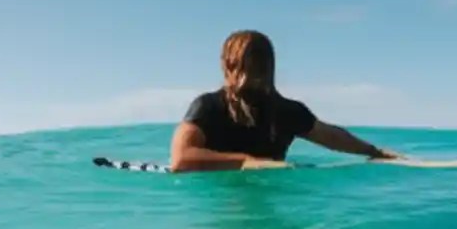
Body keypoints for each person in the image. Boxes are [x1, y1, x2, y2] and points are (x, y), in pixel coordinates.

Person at [170, 30, 405, 172]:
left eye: (260, 63)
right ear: (229, 65)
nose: (255, 72)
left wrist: (375, 152)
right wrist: (247, 162)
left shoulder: (286, 112)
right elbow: (181, 159)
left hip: (275, 198)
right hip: (220, 206)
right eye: (249, 63)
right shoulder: (208, 107)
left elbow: (331, 136)